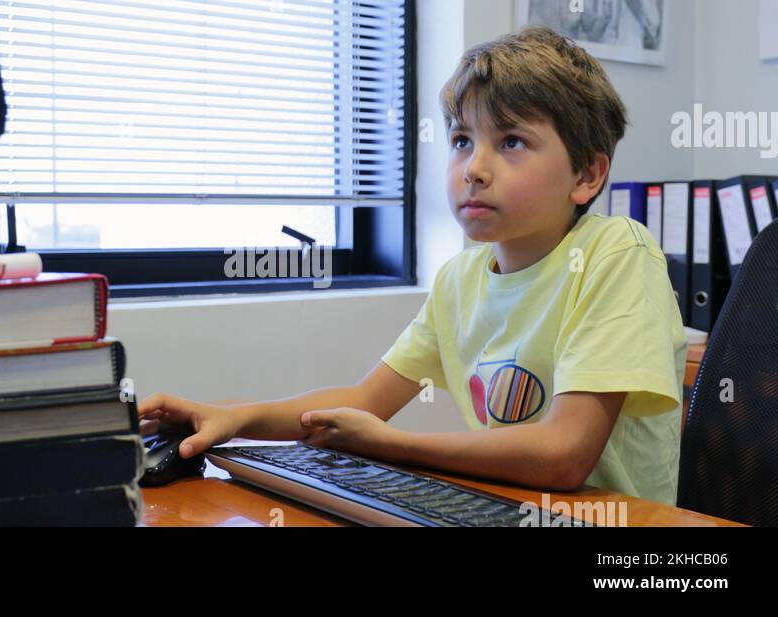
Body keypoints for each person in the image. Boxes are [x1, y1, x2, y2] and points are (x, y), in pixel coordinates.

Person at [139, 25, 686, 505]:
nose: (474, 168)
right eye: (461, 140)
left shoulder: (616, 253)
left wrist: (391, 445)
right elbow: (362, 402)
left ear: (587, 176)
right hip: (506, 508)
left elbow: (564, 455)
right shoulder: (460, 279)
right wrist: (236, 419)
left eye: (512, 141)